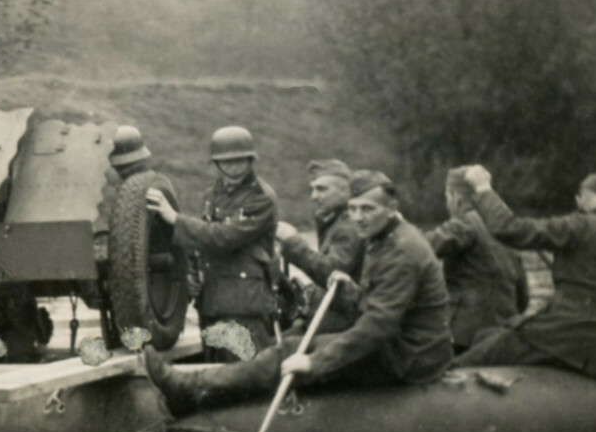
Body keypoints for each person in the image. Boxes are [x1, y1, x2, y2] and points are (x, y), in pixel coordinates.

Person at [143, 170, 452, 414]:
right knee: (293, 346)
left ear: (392, 209)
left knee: (291, 353)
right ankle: (197, 389)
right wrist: (352, 290)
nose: (358, 217)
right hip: (405, 345)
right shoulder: (384, 235)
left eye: (367, 209)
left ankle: (191, 388)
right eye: (354, 209)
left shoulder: (401, 251)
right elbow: (382, 303)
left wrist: (316, 363)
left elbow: (378, 326)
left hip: (409, 356)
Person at [451, 168, 596, 379]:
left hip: (553, 342)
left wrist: (483, 188)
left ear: (580, 201)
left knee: (461, 364)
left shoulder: (577, 226)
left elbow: (509, 229)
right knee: (487, 336)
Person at [145, 125, 280, 361]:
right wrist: (191, 272)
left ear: (251, 160)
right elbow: (202, 239)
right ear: (216, 163)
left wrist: (175, 219)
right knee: (213, 372)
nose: (233, 167)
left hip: (244, 305)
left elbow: (224, 237)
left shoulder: (261, 197)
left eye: (240, 160)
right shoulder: (212, 193)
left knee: (248, 372)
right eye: (226, 161)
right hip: (212, 303)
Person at [425, 167, 529, 353]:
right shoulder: (505, 227)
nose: (447, 204)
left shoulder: (466, 222)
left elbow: (421, 249)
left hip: (465, 337)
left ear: (456, 197)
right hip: (506, 330)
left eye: (447, 197)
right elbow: (523, 296)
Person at [276, 158, 362, 334]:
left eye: (322, 189)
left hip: (343, 325)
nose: (314, 196)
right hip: (330, 316)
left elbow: (331, 274)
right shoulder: (333, 221)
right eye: (313, 189)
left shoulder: (348, 227)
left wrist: (292, 241)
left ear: (344, 190)